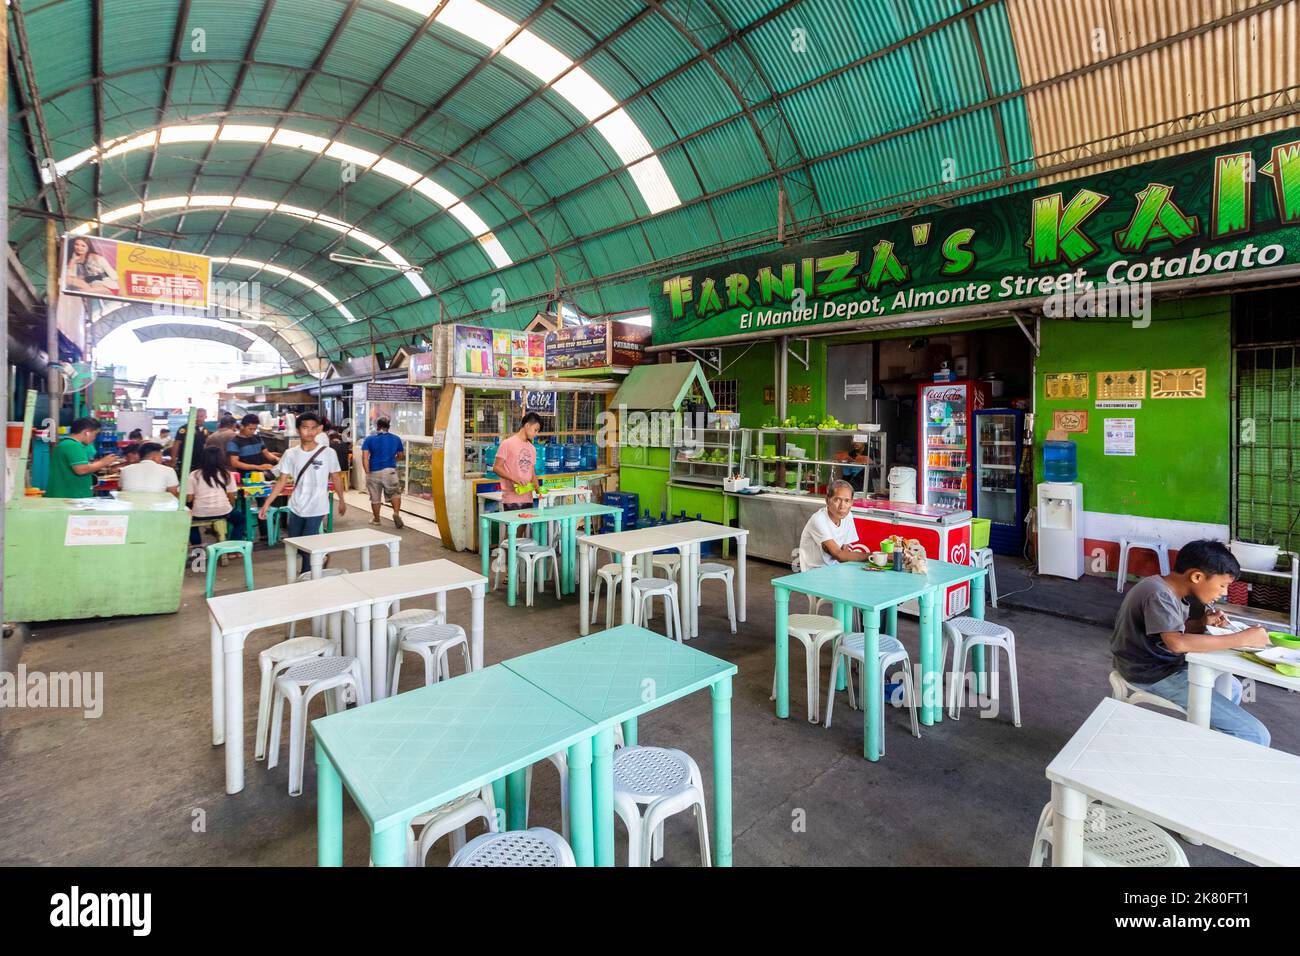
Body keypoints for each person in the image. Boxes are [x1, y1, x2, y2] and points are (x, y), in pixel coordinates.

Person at [1111, 539, 1273, 746]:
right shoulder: (1158, 594)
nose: (1224, 592)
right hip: (1151, 672)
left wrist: (1202, 623)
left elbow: (1167, 630)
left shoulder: (1169, 590)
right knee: (1256, 735)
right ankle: (1210, 755)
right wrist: (1242, 638)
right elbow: (1176, 643)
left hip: (1164, 665)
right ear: (1197, 576)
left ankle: (1206, 739)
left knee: (1231, 687)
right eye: (1222, 585)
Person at [259, 412, 347, 574]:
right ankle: (321, 558)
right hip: (296, 506)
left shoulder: (328, 453)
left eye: (313, 428)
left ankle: (306, 578)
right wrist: (267, 503)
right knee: (295, 543)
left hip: (318, 506)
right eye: (305, 428)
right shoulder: (290, 454)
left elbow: (336, 477)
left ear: (319, 430)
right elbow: (282, 480)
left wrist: (341, 499)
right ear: (298, 429)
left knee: (307, 546)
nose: (310, 432)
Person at [798, 479, 868, 570]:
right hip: (814, 573)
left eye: (847, 501)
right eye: (837, 500)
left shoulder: (848, 516)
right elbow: (839, 555)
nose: (842, 506)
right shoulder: (818, 519)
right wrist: (875, 556)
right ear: (827, 501)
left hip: (835, 569)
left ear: (851, 503)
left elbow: (845, 551)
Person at [46, 417, 118, 498]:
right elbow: (81, 469)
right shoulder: (73, 445)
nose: (94, 438)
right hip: (69, 497)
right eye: (95, 434)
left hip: (68, 496)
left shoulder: (67, 444)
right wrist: (103, 462)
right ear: (87, 432)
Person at [186, 444, 244, 542]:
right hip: (223, 511)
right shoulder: (226, 474)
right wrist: (231, 507)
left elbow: (189, 498)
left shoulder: (194, 474)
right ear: (221, 459)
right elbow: (231, 497)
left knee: (190, 525)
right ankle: (233, 549)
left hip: (200, 512)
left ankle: (198, 553)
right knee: (240, 520)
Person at [362, 417, 405, 528]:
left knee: (375, 498)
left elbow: (365, 458)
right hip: (390, 471)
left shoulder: (369, 439)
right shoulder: (396, 439)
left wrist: (367, 472)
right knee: (395, 493)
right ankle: (396, 513)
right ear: (388, 427)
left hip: (374, 471)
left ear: (377, 427)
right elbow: (401, 456)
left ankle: (377, 520)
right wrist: (392, 460)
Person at [494, 412, 543, 511]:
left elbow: (532, 472)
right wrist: (514, 478)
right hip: (511, 497)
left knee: (524, 525)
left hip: (528, 497)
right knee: (514, 526)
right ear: (527, 425)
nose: (536, 434)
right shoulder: (507, 443)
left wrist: (538, 489)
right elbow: (496, 467)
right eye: (535, 430)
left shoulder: (532, 448)